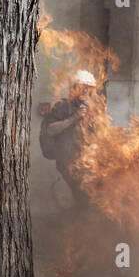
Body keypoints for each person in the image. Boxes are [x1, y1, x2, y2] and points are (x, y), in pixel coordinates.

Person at [38, 69, 98, 201]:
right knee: (82, 197)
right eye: (83, 88)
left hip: (87, 163)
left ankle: (80, 218)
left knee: (90, 198)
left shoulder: (92, 110)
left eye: (89, 89)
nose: (86, 91)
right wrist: (73, 118)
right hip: (68, 163)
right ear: (75, 88)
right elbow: (50, 130)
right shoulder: (63, 106)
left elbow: (96, 137)